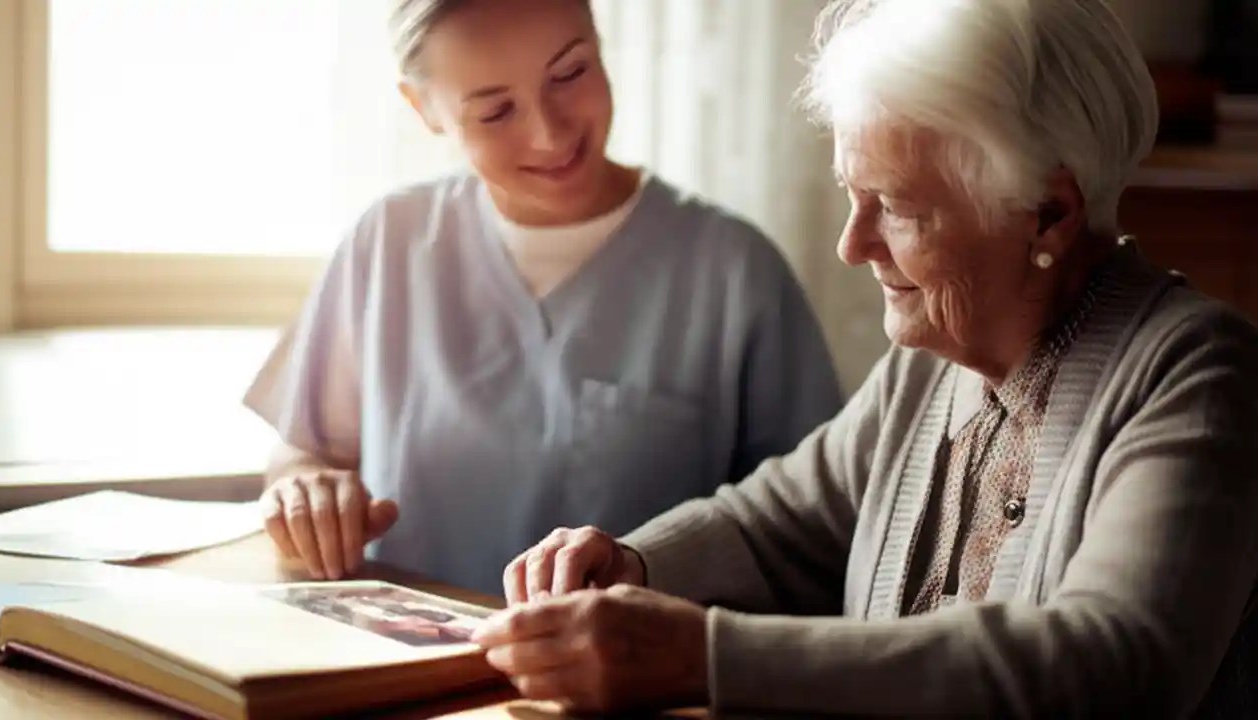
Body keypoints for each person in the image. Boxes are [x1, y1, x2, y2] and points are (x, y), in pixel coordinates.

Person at [476, 0, 1258, 715]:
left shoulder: (1195, 377)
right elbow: (777, 523)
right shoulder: (931, 365)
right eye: (855, 195)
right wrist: (630, 565)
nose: (854, 245)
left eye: (901, 208)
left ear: (1048, 213)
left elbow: (1113, 663)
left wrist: (705, 657)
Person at [244, 0, 841, 596]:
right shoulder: (387, 242)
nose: (549, 133)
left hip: (631, 685)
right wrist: (305, 490)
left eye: (570, 73)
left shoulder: (734, 270)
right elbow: (307, 452)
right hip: (395, 667)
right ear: (423, 109)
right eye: (496, 110)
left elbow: (808, 529)